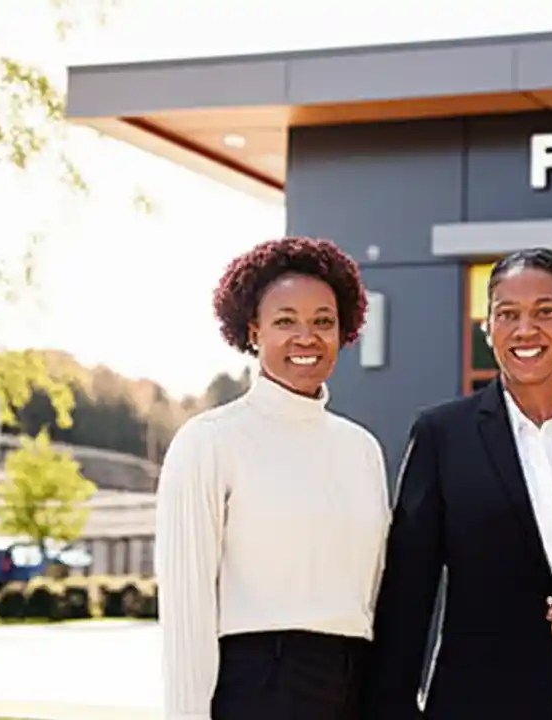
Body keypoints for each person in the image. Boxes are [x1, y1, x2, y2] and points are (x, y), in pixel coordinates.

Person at [364, 248, 552, 720]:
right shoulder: (443, 436)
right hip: (474, 704)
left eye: (545, 313)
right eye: (508, 314)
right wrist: (394, 708)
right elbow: (408, 593)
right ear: (488, 326)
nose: (526, 330)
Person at [154, 236, 391, 720]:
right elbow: (186, 614)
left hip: (354, 684)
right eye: (285, 321)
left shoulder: (362, 449)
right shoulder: (209, 442)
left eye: (323, 322)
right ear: (253, 330)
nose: (306, 337)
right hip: (257, 690)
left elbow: (374, 594)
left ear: (344, 331)